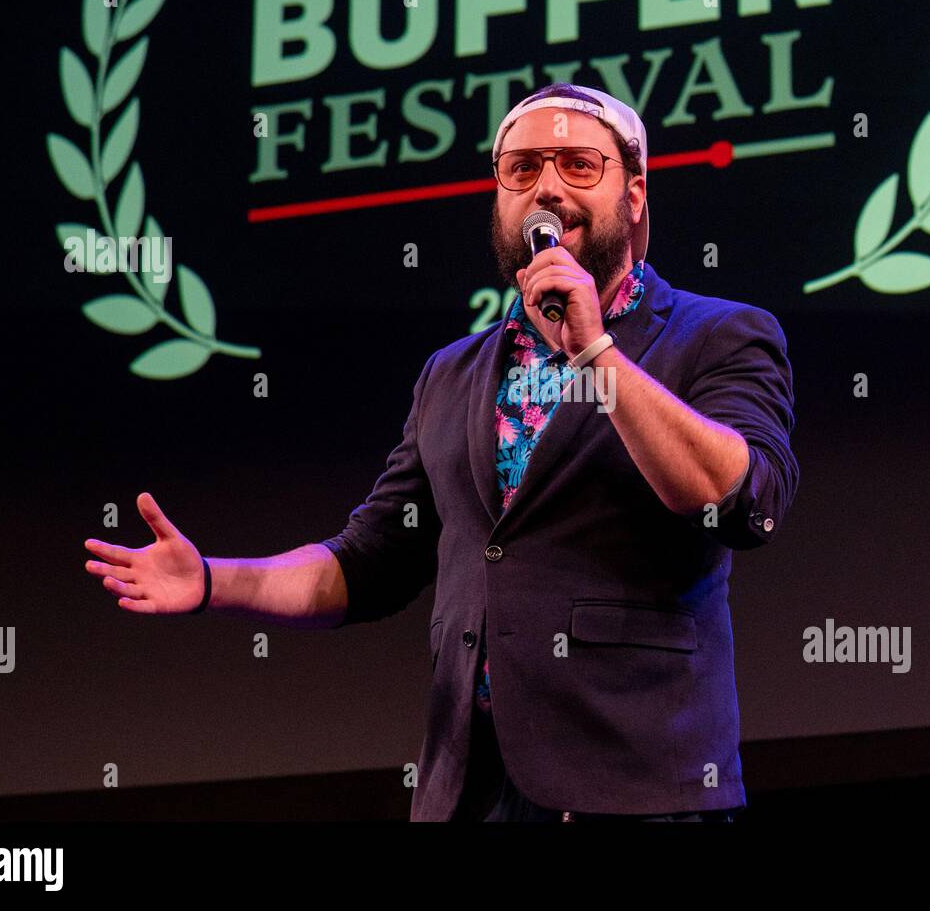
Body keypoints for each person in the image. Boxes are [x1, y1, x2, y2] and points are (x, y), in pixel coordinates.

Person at [83, 83, 799, 822]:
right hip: (469, 791)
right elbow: (369, 562)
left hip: (640, 789)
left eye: (579, 165)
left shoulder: (718, 335)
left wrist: (593, 352)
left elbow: (740, 502)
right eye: (521, 169)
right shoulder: (452, 374)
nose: (547, 186)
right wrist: (212, 580)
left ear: (636, 193)